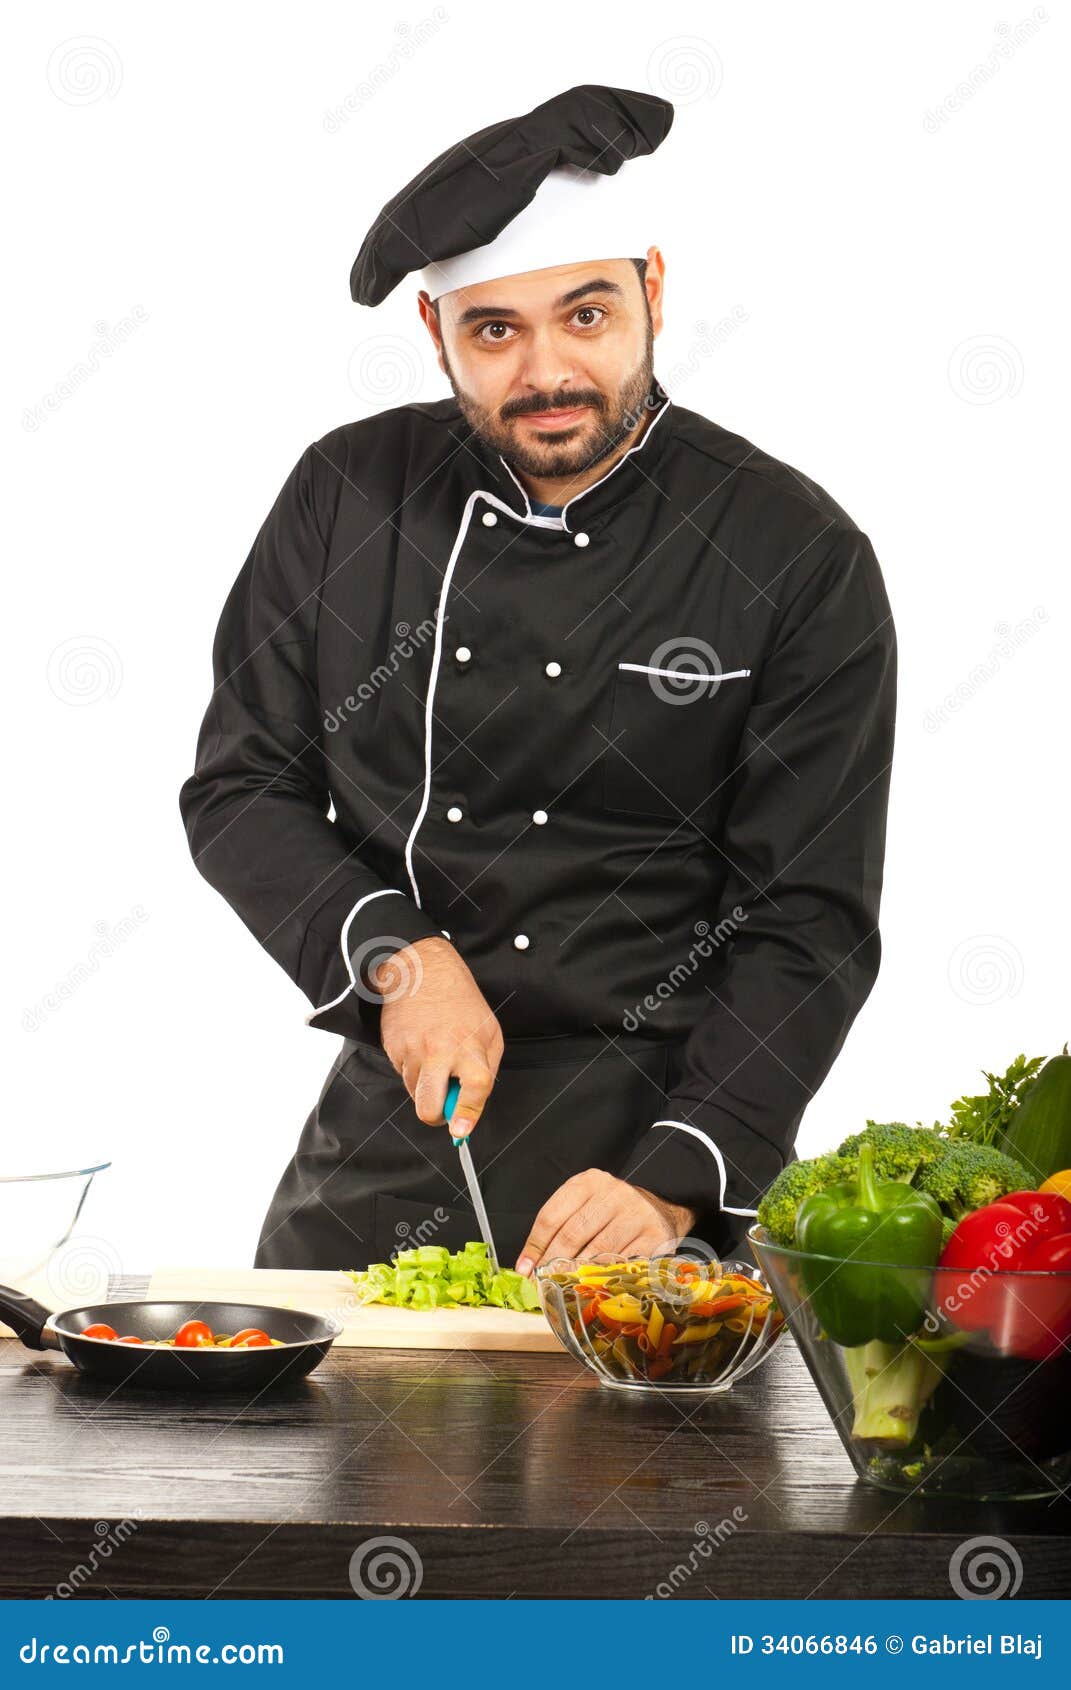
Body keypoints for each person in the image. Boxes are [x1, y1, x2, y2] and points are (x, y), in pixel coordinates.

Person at [179, 85, 896, 1275]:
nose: (548, 370)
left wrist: (681, 1174)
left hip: (653, 1154)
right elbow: (241, 787)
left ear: (653, 292)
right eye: (495, 331)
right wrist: (397, 956)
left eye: (586, 313)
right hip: (390, 1146)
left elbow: (807, 916)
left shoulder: (793, 552)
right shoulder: (344, 497)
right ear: (436, 334)